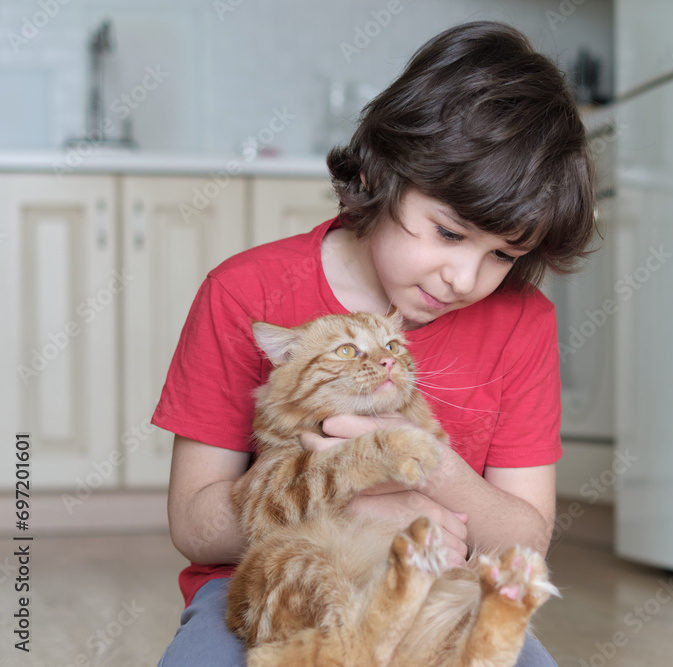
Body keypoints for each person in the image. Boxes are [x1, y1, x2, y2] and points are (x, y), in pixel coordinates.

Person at [154, 20, 595, 667]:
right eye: (448, 232)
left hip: (440, 590)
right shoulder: (246, 291)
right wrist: (352, 507)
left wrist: (427, 477)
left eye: (504, 252)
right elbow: (194, 526)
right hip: (276, 583)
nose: (465, 277)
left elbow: (525, 535)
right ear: (385, 170)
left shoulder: (523, 321)